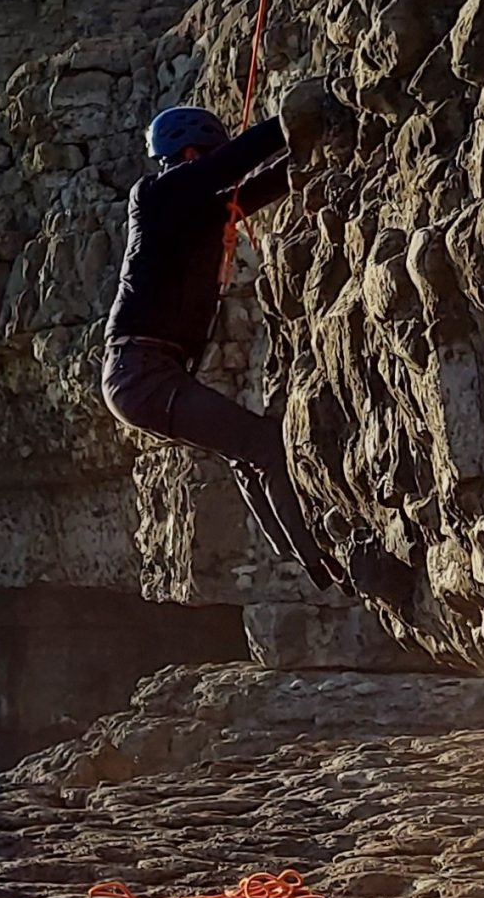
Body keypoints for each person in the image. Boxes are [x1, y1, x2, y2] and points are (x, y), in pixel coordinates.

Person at [101, 95, 345, 585]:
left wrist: (315, 157)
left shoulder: (197, 215)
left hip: (141, 375)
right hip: (142, 373)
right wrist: (292, 119)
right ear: (193, 153)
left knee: (245, 449)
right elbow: (232, 166)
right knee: (265, 445)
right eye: (211, 155)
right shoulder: (154, 195)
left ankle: (299, 554)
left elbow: (253, 188)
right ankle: (316, 560)